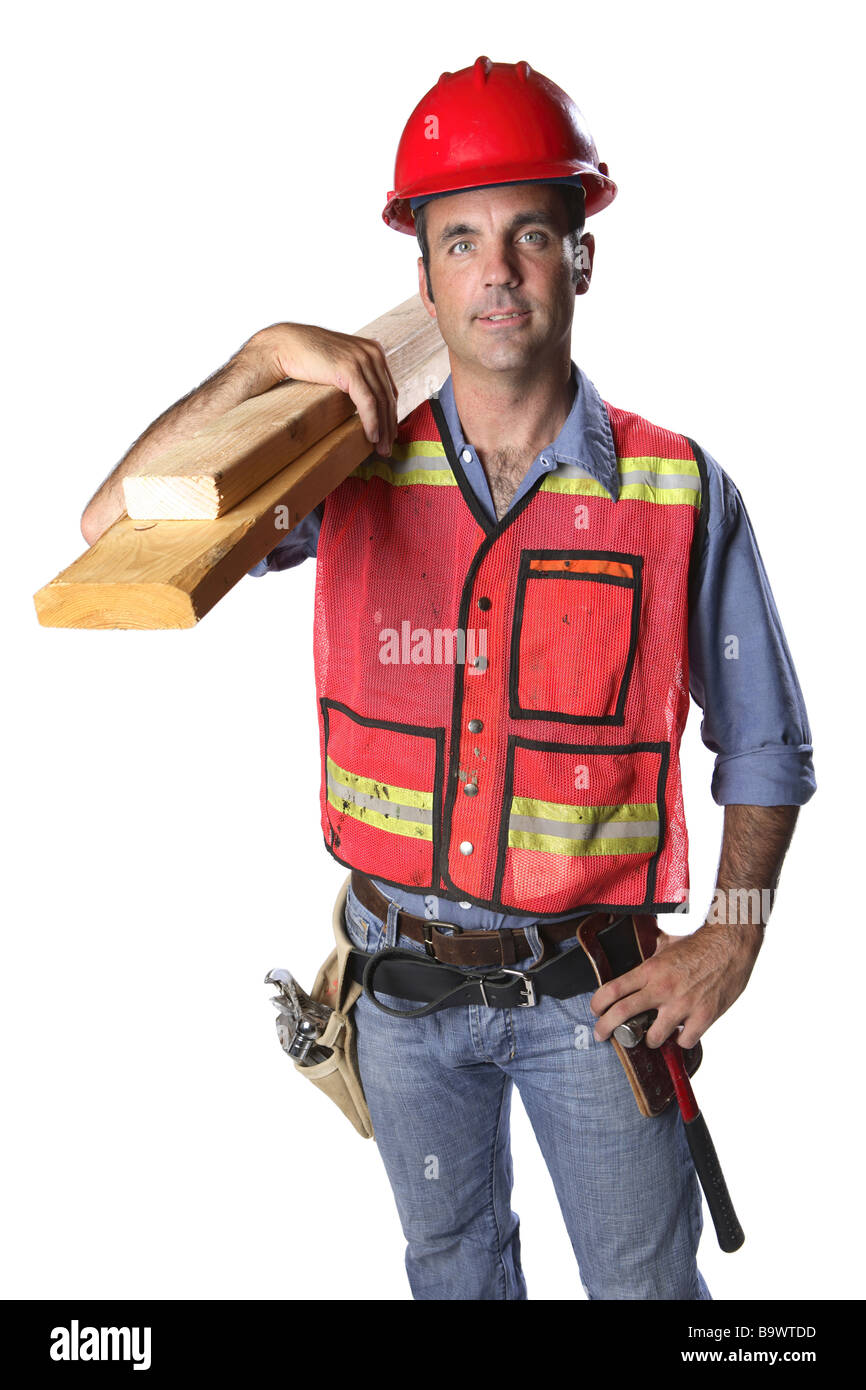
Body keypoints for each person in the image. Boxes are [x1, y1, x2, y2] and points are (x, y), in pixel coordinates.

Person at [80, 57, 815, 1301]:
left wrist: (729, 946)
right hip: (399, 994)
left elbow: (764, 748)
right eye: (460, 238)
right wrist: (258, 362)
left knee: (643, 1290)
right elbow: (111, 530)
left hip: (596, 996)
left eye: (530, 232)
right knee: (452, 1276)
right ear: (419, 273)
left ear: (580, 255)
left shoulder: (678, 490)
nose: (497, 269)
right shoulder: (338, 473)